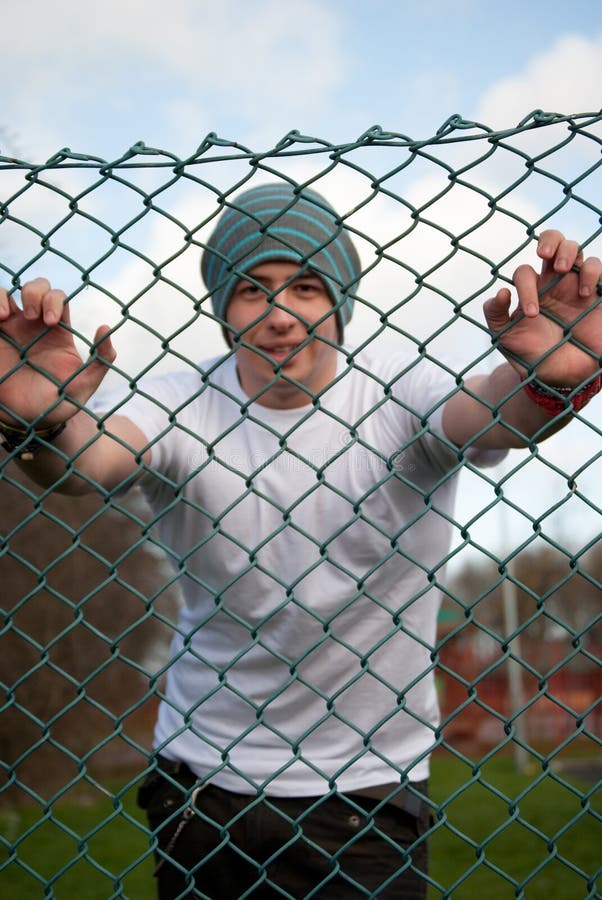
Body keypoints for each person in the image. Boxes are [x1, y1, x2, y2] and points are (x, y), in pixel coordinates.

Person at [1, 181, 600, 899]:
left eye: (306, 287)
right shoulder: (180, 400)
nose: (281, 314)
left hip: (367, 791)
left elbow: (493, 414)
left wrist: (552, 384)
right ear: (224, 310)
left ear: (339, 303)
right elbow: (87, 462)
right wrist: (35, 424)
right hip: (202, 784)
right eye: (253, 290)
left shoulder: (396, 394)